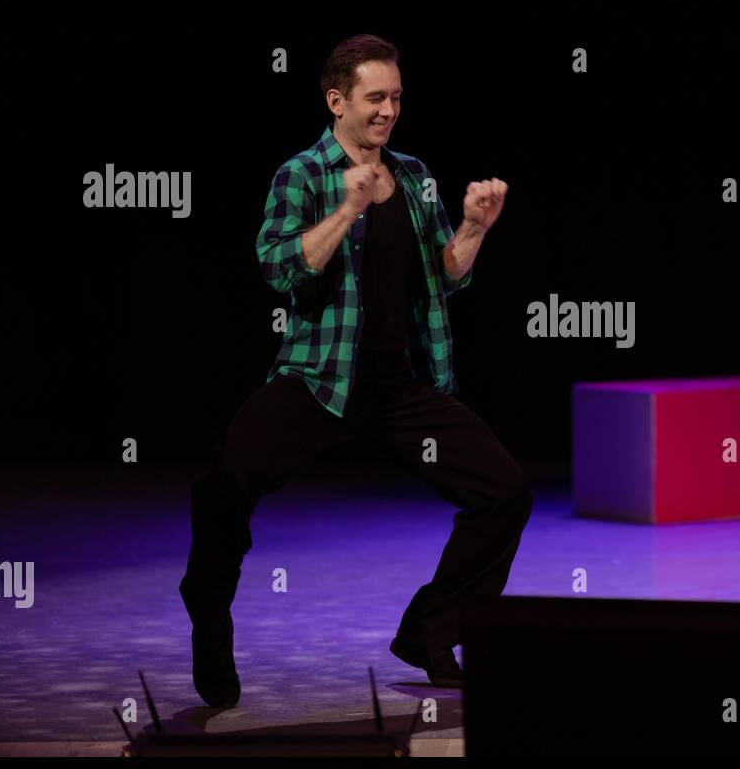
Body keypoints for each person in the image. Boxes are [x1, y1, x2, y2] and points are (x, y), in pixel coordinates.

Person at [178, 34, 532, 706]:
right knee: (227, 485)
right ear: (337, 100)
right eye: (375, 97)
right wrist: (347, 209)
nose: (388, 110)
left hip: (399, 385)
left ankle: (431, 633)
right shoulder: (303, 174)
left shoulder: (415, 173)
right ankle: (209, 606)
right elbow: (280, 269)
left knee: (505, 492)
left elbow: (442, 277)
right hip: (319, 380)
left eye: (396, 97)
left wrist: (475, 227)